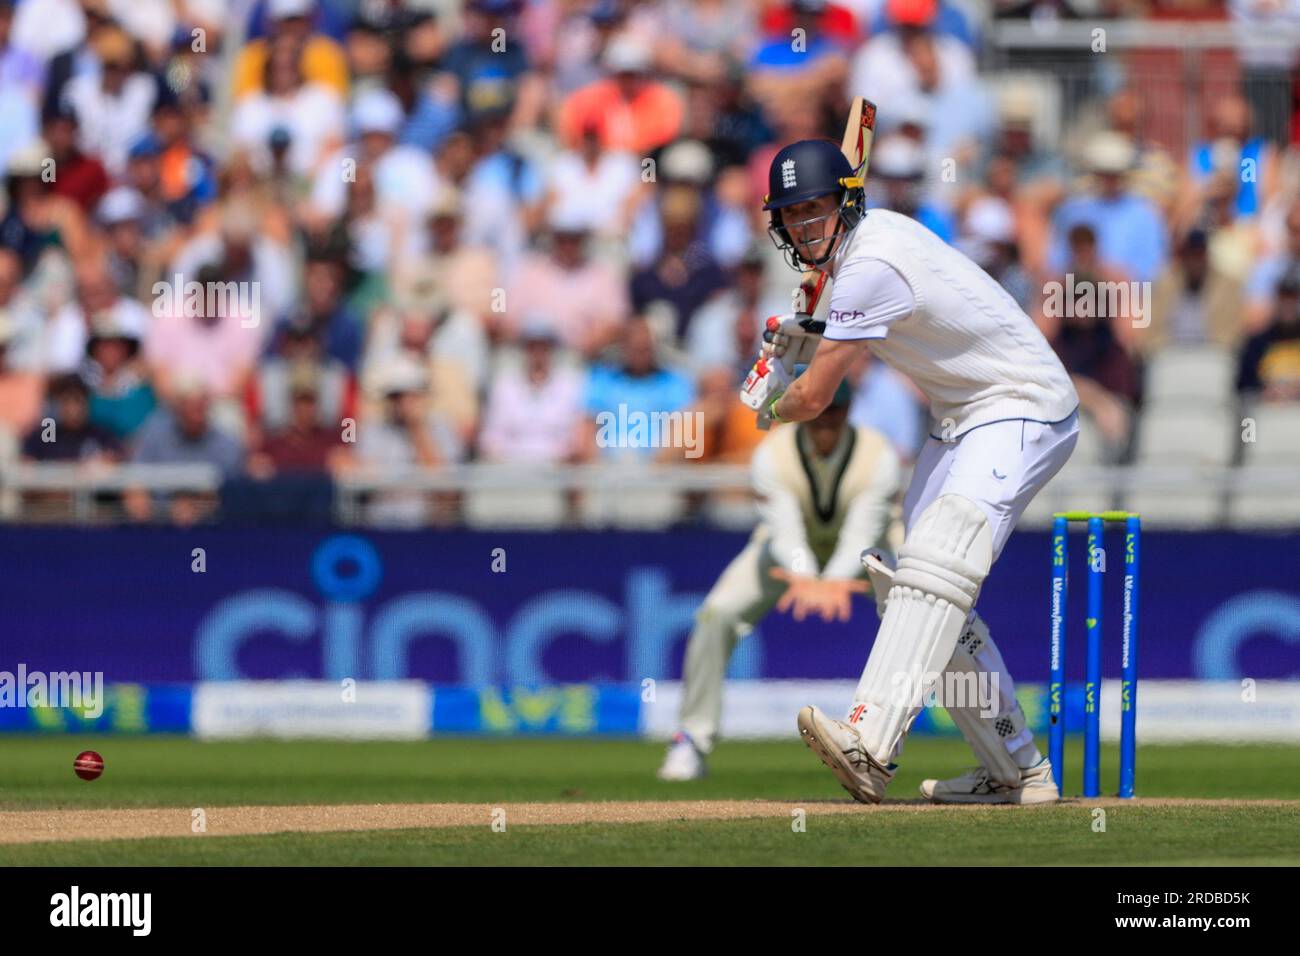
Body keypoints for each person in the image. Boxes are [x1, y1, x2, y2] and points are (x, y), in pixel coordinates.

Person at [742, 137, 1080, 804]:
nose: (806, 226)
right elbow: (861, 326)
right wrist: (808, 333)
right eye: (794, 216)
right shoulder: (856, 259)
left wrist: (767, 397)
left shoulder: (871, 264)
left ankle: (871, 744)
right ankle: (1017, 772)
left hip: (1022, 404)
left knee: (938, 559)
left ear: (847, 202)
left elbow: (815, 398)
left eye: (817, 210)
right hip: (959, 418)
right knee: (919, 587)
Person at [658, 381, 901, 780]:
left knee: (922, 616)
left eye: (835, 412)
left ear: (848, 411)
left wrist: (831, 580)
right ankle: (690, 740)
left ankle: (927, 741)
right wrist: (808, 577)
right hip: (783, 554)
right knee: (714, 616)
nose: (826, 424)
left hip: (868, 552)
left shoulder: (879, 455)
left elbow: (863, 530)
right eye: (819, 413)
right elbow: (785, 531)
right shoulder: (772, 453)